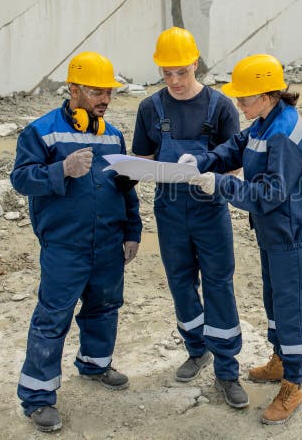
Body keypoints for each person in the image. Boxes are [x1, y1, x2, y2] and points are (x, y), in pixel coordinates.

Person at [183, 53, 302, 425]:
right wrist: (201, 162)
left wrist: (222, 184)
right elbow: (236, 146)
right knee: (274, 297)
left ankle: (293, 383)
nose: (238, 104)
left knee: (292, 306)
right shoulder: (264, 122)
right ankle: (281, 359)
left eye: (243, 97)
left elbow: (272, 193)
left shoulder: (284, 133)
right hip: (273, 229)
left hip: (290, 232)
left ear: (267, 95)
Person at [11, 51, 142, 433]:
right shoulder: (42, 132)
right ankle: (37, 398)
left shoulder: (112, 134)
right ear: (73, 89)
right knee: (52, 318)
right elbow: (21, 179)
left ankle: (95, 364)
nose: (105, 99)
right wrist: (62, 169)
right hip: (65, 247)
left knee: (104, 308)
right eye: (97, 91)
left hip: (108, 245)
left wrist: (132, 231)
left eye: (109, 92)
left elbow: (125, 189)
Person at [131, 27, 247, 408]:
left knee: (218, 284)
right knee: (180, 282)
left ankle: (227, 370)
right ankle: (197, 349)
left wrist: (207, 174)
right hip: (169, 210)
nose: (175, 81)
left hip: (209, 208)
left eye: (181, 71)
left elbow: (235, 166)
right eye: (167, 73)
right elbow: (143, 161)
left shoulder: (221, 108)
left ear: (195, 63)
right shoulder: (150, 109)